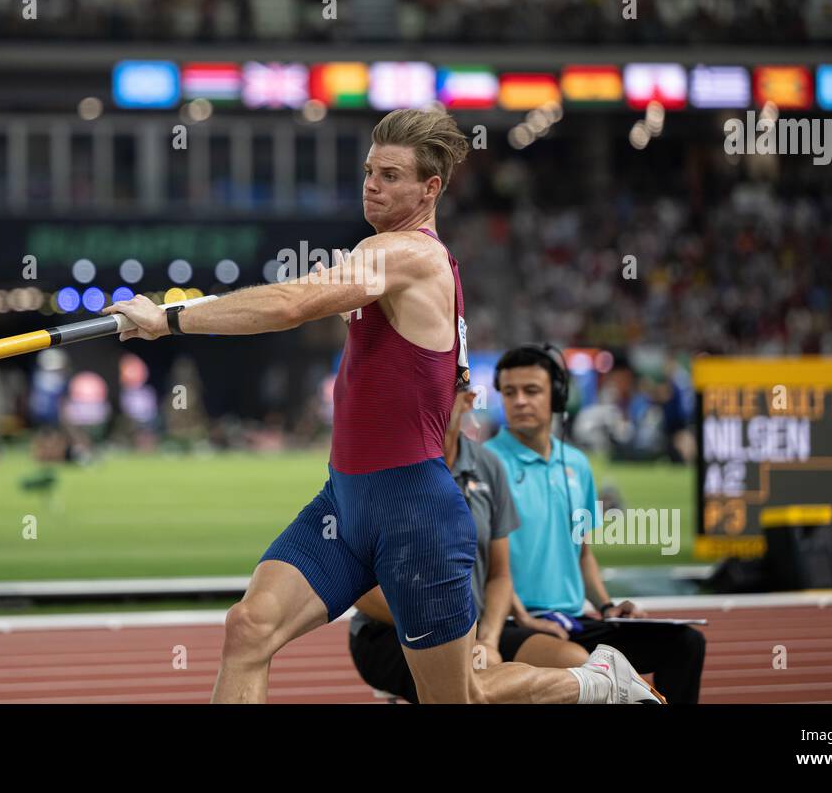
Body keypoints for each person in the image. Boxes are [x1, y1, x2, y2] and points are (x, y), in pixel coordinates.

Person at [109, 108, 661, 704]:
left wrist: (167, 318)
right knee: (249, 628)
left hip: (415, 511)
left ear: (431, 189)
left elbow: (292, 304)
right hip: (345, 500)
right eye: (370, 171)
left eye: (391, 175)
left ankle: (598, 682)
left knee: (459, 697)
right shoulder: (378, 258)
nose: (373, 184)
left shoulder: (411, 256)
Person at [484, 344, 706, 703]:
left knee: (685, 644)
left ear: (556, 396)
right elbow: (484, 564)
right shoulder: (485, 464)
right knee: (593, 671)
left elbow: (581, 551)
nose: (520, 401)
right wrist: (521, 616)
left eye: (532, 390)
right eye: (510, 393)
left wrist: (606, 606)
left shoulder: (577, 464)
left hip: (574, 621)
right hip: (514, 624)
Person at [347, 386, 589, 703]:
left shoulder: (487, 465)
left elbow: (500, 575)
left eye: (436, 393)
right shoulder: (380, 467)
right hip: (391, 631)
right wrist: (445, 630)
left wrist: (488, 638)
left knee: (576, 662)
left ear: (469, 400)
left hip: (474, 628)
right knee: (483, 676)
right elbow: (359, 588)